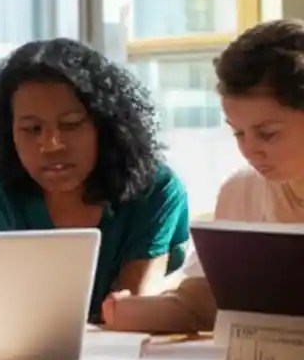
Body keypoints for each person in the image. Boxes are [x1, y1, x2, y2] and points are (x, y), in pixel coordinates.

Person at [0, 38, 190, 322]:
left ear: (105, 125)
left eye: (71, 125)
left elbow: (131, 309)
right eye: (32, 129)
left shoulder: (155, 189)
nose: (51, 144)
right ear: (9, 133)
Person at [103, 20, 304, 333]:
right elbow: (203, 306)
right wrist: (130, 312)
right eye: (238, 132)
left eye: (267, 134)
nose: (250, 150)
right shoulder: (242, 191)